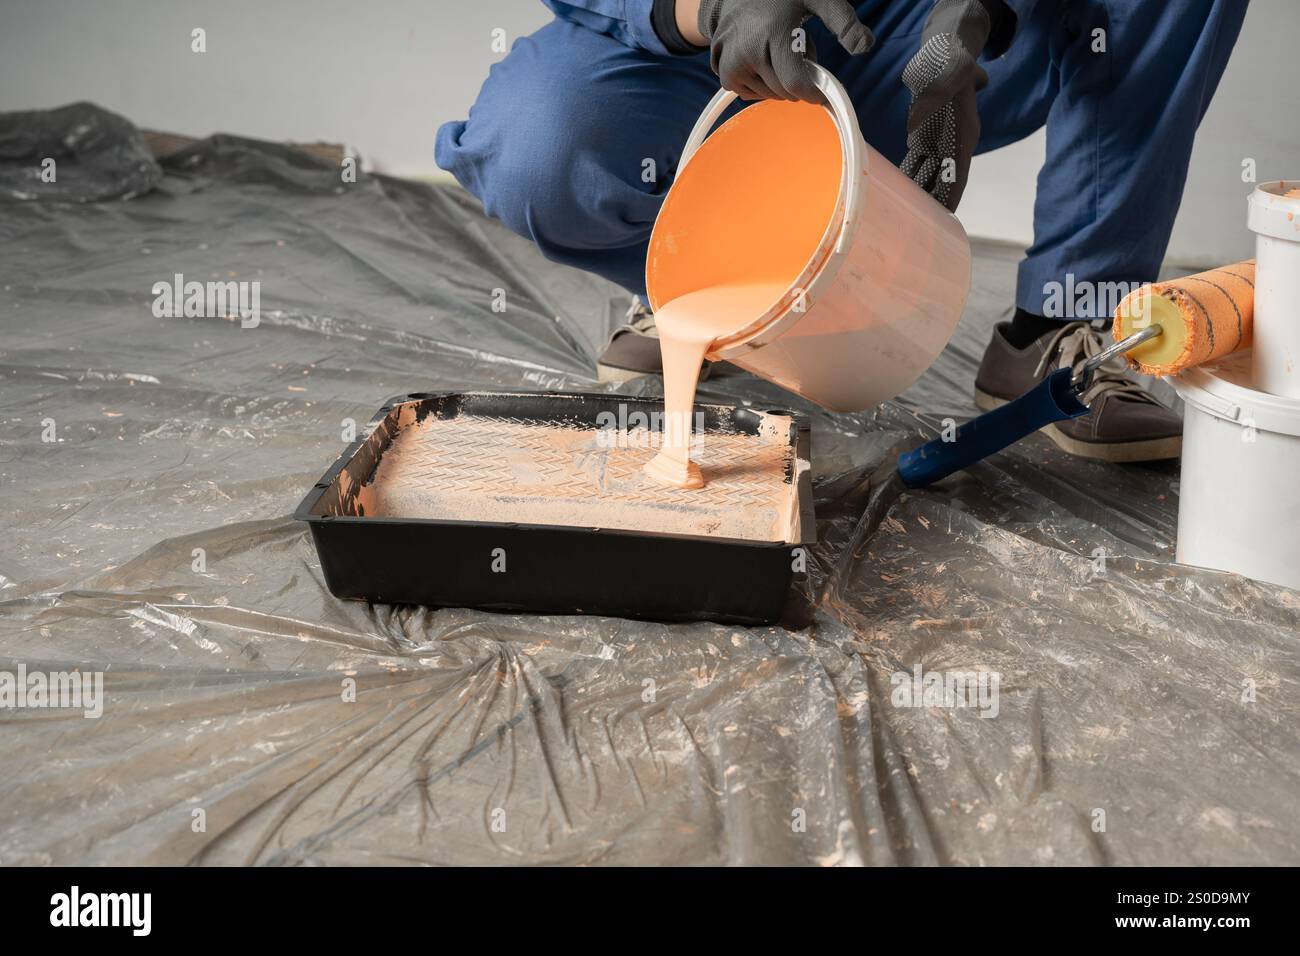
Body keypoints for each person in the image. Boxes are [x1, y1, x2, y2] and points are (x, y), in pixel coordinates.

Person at [436, 0, 1247, 462]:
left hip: (923, 39)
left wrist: (977, 11)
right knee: (539, 138)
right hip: (722, 42)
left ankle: (1057, 322)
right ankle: (718, 282)